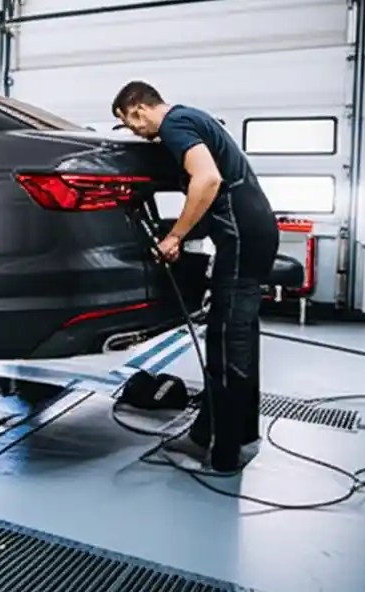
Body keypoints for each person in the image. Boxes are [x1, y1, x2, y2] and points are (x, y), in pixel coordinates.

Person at [112, 81, 278, 473]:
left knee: (224, 341)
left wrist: (174, 237)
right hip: (255, 231)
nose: (134, 131)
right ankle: (236, 436)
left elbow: (207, 181)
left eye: (128, 123)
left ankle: (221, 453)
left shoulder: (174, 125)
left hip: (239, 237)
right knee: (240, 336)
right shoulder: (196, 117)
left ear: (137, 109)